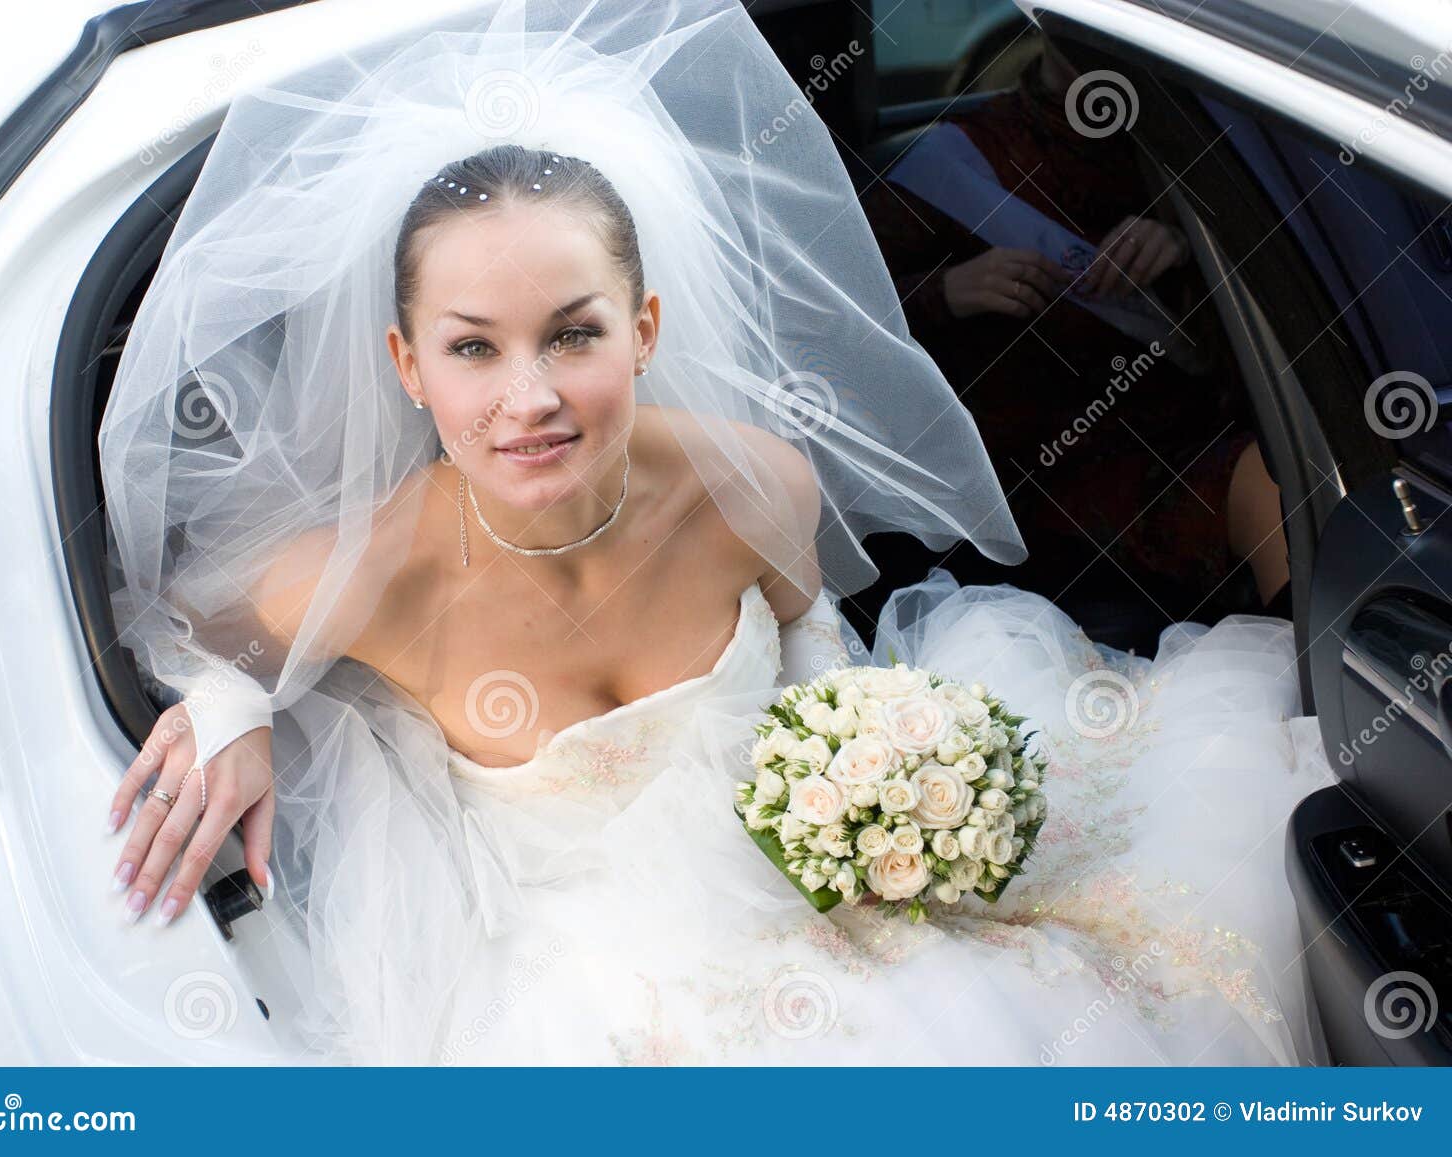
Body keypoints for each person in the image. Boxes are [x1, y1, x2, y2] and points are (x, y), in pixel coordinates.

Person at [98, 0, 1335, 1064]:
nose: (527, 398)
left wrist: (882, 793)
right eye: (473, 346)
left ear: (640, 329)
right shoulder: (363, 570)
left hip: (840, 910)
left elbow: (811, 643)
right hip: (577, 985)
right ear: (406, 366)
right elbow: (179, 625)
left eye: (572, 333)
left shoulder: (757, 480)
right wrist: (231, 710)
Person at [858, 41, 1292, 625]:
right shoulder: (965, 152)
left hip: (1182, 425)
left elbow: (1274, 310)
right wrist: (950, 289)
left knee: (1274, 478)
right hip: (1040, 462)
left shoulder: (1188, 134)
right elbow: (840, 313)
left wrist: (1187, 250)